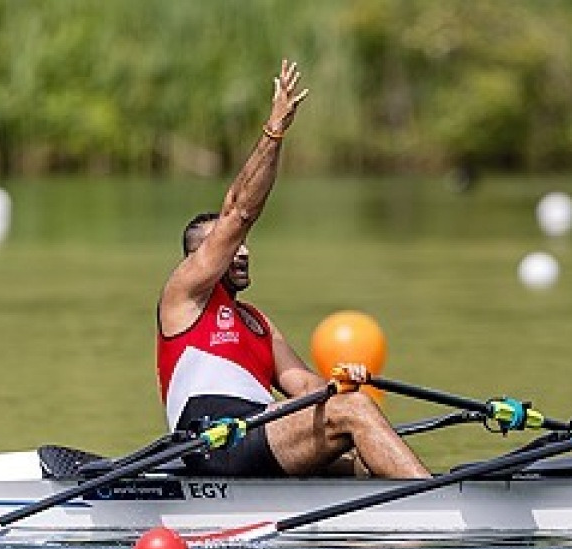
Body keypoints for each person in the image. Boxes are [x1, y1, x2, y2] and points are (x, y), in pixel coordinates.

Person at [157, 60, 429, 479]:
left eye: (244, 246)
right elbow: (240, 211)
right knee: (354, 414)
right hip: (212, 441)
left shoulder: (258, 322)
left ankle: (407, 507)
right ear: (199, 260)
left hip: (260, 433)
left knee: (360, 449)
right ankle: (433, 505)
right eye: (230, 247)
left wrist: (342, 385)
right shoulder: (184, 298)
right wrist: (274, 130)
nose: (243, 251)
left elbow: (304, 388)